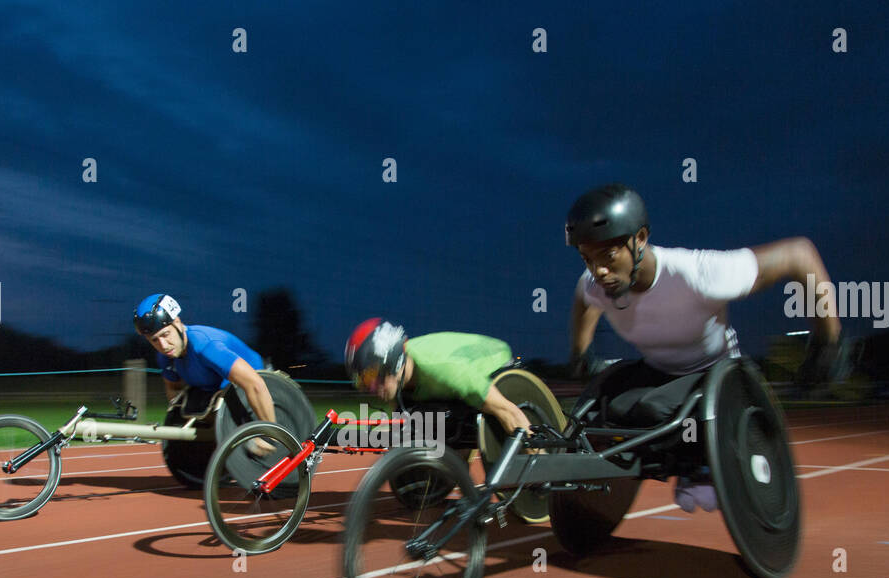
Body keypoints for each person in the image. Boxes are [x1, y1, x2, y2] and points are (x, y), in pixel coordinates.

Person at [564, 183, 844, 512]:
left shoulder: (698, 274)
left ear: (639, 239)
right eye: (587, 259)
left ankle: (699, 461)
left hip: (716, 376)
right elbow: (584, 301)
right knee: (602, 407)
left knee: (651, 409)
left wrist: (827, 342)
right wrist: (580, 352)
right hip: (659, 371)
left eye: (608, 256)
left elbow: (799, 254)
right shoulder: (596, 283)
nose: (598, 271)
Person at [134, 293, 276, 455]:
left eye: (166, 334)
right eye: (154, 340)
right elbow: (173, 391)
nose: (164, 345)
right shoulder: (166, 357)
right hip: (220, 390)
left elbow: (255, 384)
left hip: (258, 383)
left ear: (178, 323)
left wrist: (269, 434)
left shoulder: (206, 346)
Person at [344, 319, 535, 436]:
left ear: (392, 362)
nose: (371, 388)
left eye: (371, 377)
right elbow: (396, 430)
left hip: (492, 362)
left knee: (466, 416)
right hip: (450, 378)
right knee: (427, 421)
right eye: (364, 382)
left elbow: (510, 413)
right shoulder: (395, 380)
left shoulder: (442, 368)